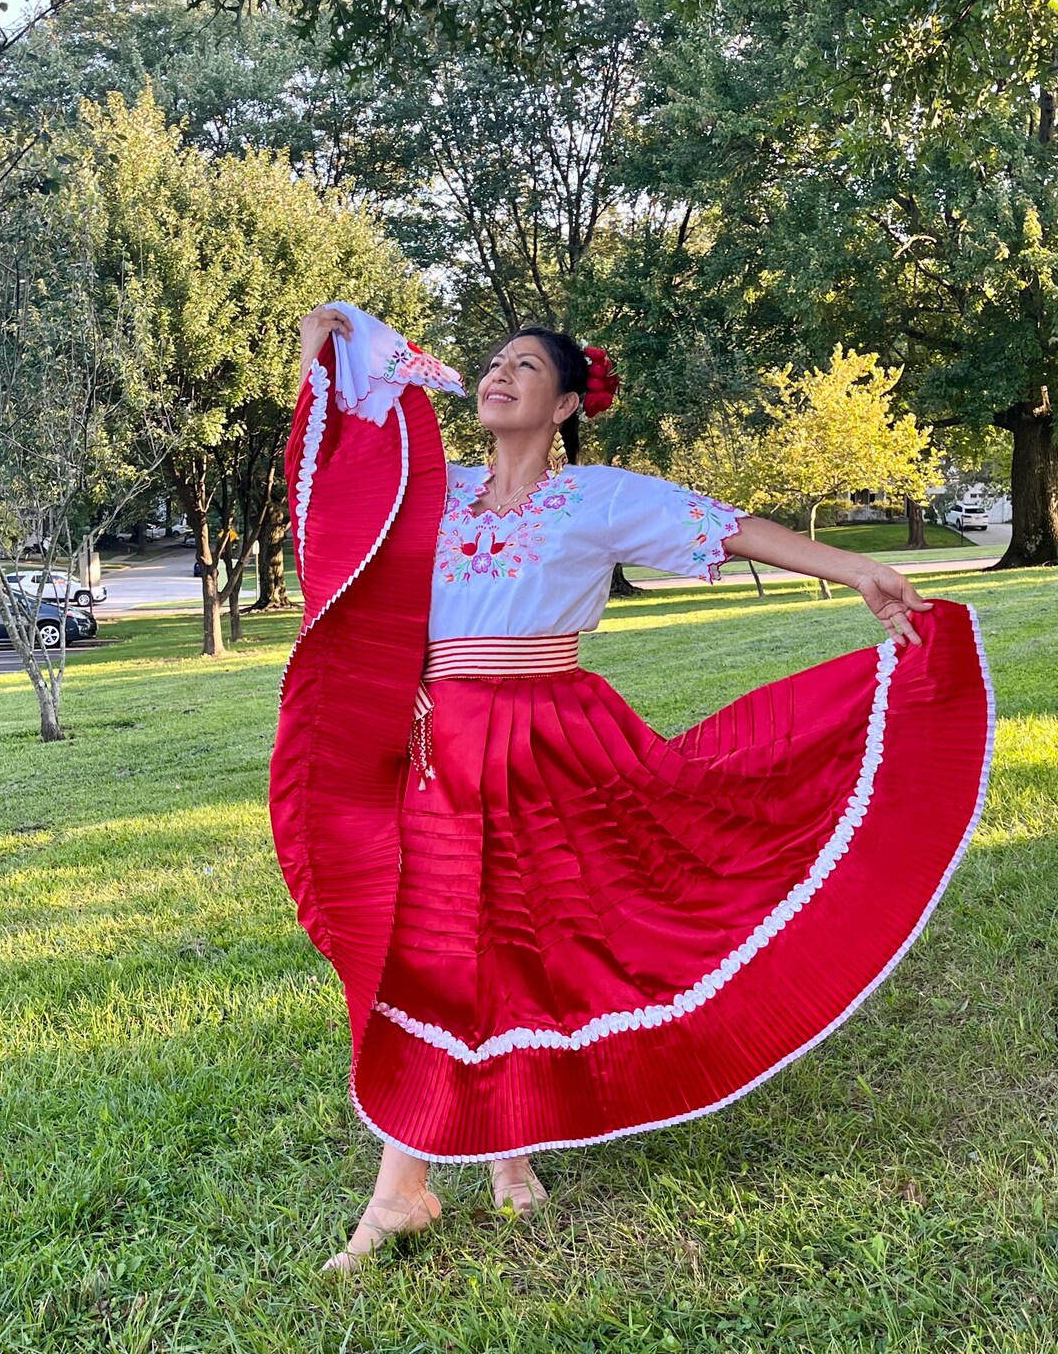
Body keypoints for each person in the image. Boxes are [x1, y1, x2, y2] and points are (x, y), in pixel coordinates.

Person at [269, 302, 993, 1274]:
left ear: (565, 401)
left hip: (551, 742)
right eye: (492, 364)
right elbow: (340, 491)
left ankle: (429, 1181)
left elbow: (731, 529)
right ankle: (448, 1173)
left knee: (533, 937)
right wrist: (331, 348)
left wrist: (855, 565)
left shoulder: (595, 497)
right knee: (449, 949)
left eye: (525, 367)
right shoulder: (433, 496)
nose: (498, 376)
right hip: (442, 752)